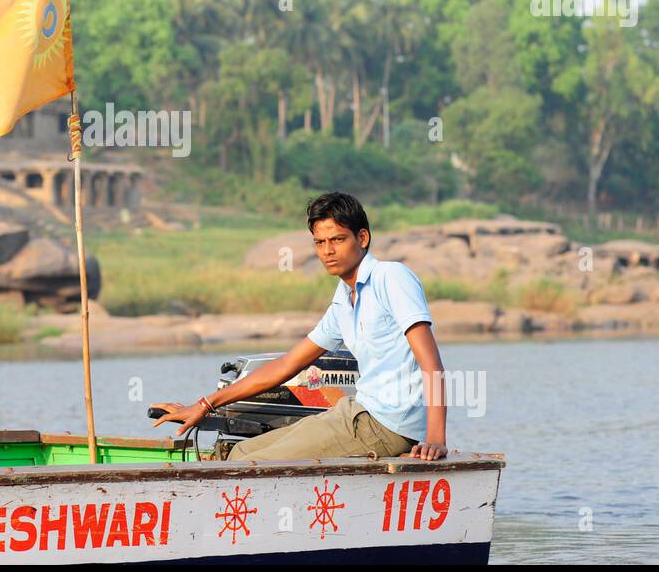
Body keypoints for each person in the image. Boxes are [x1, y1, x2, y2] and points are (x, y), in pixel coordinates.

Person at [151, 191, 451, 461]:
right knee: (240, 452)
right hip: (356, 412)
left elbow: (431, 363)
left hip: (385, 427)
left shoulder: (391, 277)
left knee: (245, 465)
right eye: (320, 242)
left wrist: (436, 439)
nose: (327, 251)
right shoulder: (343, 298)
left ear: (362, 238)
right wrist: (205, 404)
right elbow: (287, 365)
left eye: (338, 239)